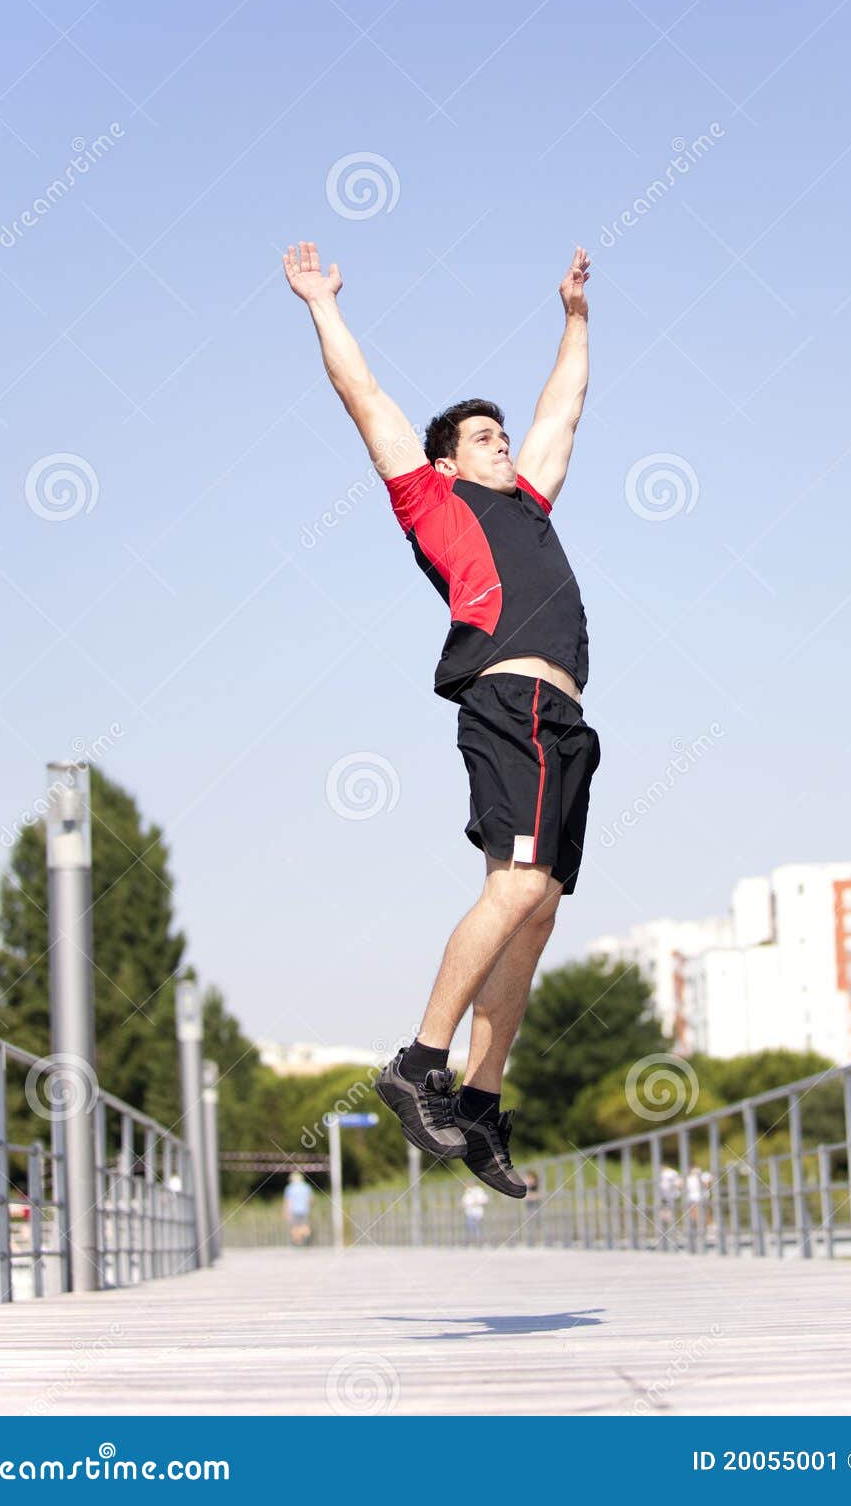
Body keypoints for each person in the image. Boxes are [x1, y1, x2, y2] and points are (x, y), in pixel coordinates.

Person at [284, 242, 600, 1203]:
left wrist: (574, 318)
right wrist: (323, 304)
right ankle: (419, 1062)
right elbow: (364, 396)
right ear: (443, 458)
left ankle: (479, 1105)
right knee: (519, 889)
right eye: (481, 435)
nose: (500, 440)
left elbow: (563, 409)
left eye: (501, 433)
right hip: (511, 702)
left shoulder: (530, 500)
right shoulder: (428, 496)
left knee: (535, 906)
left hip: (567, 722)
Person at [282, 1170, 312, 1246]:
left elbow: (287, 1202)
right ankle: (304, 1240)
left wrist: (285, 1212)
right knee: (304, 1226)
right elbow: (311, 1200)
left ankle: (298, 1244)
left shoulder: (290, 1188)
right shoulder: (306, 1187)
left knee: (294, 1228)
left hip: (294, 1210)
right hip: (304, 1210)